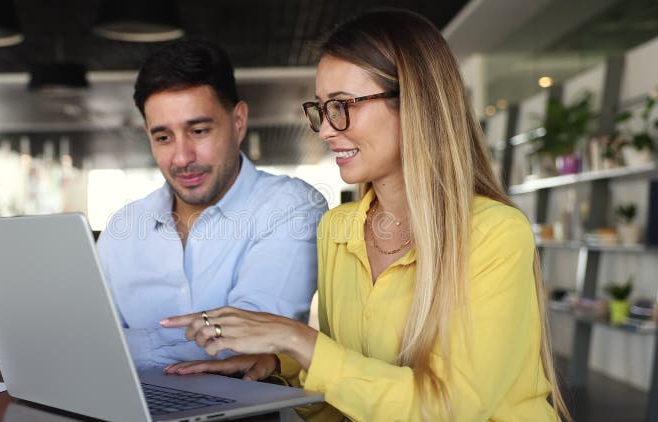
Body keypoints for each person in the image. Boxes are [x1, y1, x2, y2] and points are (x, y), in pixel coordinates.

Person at [161, 9, 570, 421]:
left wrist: (297, 338)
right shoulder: (339, 228)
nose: (324, 130)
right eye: (321, 108)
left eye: (341, 106)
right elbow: (351, 384)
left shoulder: (494, 233)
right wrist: (275, 363)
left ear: (413, 103)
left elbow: (451, 410)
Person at [0, 40, 328, 371]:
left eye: (199, 131)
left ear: (238, 121)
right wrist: (8, 349)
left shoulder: (291, 206)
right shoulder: (125, 225)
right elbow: (86, 329)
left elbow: (250, 337)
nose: (182, 157)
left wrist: (46, 347)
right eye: (163, 136)